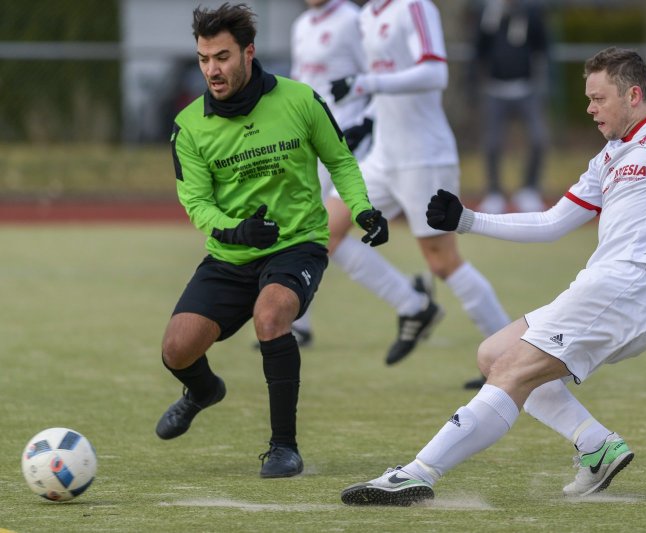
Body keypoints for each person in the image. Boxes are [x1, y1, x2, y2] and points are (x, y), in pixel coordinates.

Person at [340, 47, 646, 505]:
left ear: (633, 94)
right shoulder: (607, 157)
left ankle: (418, 472)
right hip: (606, 282)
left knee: (511, 370)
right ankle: (596, 446)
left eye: (598, 97)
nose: (589, 108)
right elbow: (552, 223)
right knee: (493, 354)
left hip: (636, 283)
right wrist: (467, 220)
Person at [156, 2, 389, 479]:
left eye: (222, 57)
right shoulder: (189, 127)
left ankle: (284, 447)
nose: (212, 70)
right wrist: (233, 231)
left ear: (249, 52)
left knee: (271, 315)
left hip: (297, 243)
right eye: (203, 59)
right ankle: (203, 391)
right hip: (230, 253)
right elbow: (197, 203)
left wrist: (362, 208)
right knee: (176, 350)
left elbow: (341, 161)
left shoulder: (300, 99)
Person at [327, 0, 511, 384]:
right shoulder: (366, 16)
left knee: (443, 262)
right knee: (323, 229)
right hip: (382, 157)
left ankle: (511, 359)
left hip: (423, 158)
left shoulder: (414, 6)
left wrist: (364, 84)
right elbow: (387, 79)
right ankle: (412, 305)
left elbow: (434, 72)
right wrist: (367, 120)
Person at [288, 0, 441, 358]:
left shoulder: (354, 20)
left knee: (317, 230)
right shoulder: (301, 25)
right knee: (312, 229)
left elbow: (378, 78)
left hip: (345, 141)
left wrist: (365, 125)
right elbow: (299, 84)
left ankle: (297, 323)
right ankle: (409, 300)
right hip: (305, 140)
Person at [473, 0, 550, 215]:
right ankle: (494, 192)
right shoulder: (488, 15)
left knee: (538, 138)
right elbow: (479, 50)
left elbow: (542, 48)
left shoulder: (532, 13)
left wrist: (540, 84)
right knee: (492, 143)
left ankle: (529, 190)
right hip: (495, 89)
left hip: (527, 89)